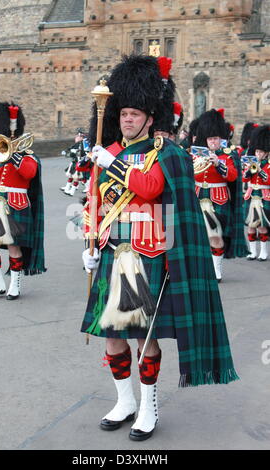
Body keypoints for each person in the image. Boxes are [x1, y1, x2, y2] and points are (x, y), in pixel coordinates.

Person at [80, 55, 239, 442]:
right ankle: (125, 401)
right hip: (112, 250)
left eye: (135, 114)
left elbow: (149, 188)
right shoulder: (111, 150)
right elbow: (94, 201)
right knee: (111, 335)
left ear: (150, 117)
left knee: (142, 338)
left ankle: (148, 405)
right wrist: (89, 242)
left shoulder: (164, 152)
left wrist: (113, 164)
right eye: (124, 113)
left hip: (147, 253)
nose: (127, 119)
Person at [0, 102, 46, 299]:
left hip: (16, 202)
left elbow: (29, 173)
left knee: (14, 246)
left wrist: (13, 157)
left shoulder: (26, 154)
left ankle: (15, 284)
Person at [192, 108, 247, 282]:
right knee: (199, 236)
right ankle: (203, 269)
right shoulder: (196, 154)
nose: (213, 142)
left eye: (216, 138)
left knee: (216, 236)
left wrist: (218, 164)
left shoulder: (227, 155)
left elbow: (232, 175)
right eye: (210, 138)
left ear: (220, 138)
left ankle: (216, 270)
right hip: (199, 196)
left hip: (218, 198)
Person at [243, 125, 270, 261]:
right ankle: (252, 252)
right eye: (257, 151)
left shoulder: (268, 165)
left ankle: (263, 252)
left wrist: (260, 170)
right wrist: (249, 170)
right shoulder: (253, 163)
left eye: (260, 152)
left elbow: (268, 180)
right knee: (251, 226)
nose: (258, 154)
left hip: (263, 196)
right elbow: (245, 178)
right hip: (251, 195)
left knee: (262, 227)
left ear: (266, 153)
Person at [60, 129, 89, 196]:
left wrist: (75, 152)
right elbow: (70, 148)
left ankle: (73, 191)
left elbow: (84, 153)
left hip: (80, 163)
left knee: (78, 177)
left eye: (78, 136)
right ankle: (67, 189)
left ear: (81, 137)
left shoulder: (83, 144)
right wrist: (67, 151)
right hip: (75, 162)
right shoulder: (77, 144)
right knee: (72, 176)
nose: (76, 138)